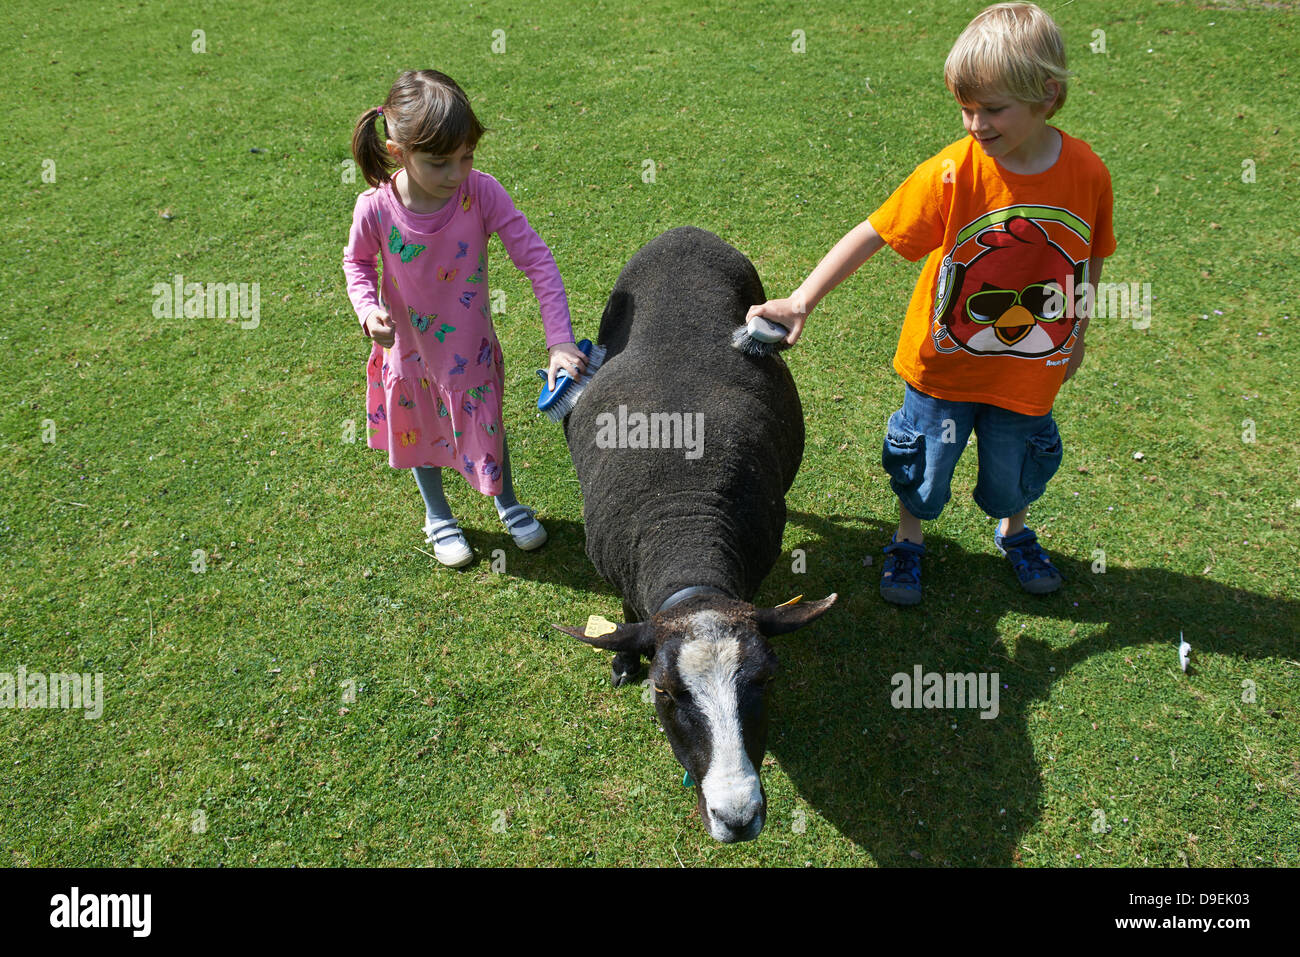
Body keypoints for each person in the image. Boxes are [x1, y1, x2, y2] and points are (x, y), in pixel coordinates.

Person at [747, 2, 1115, 604]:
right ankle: (908, 539)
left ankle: (1013, 531)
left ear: (1048, 95)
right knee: (924, 464)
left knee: (1015, 466)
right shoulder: (952, 171)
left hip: (1030, 366)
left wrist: (1078, 333)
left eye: (993, 108)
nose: (975, 123)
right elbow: (875, 231)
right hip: (944, 367)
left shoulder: (1087, 173)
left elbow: (1089, 255)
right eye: (965, 107)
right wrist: (802, 300)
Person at [343, 70, 587, 567]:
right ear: (398, 153)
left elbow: (536, 260)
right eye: (439, 163)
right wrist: (368, 311)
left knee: (488, 425)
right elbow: (358, 263)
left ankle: (507, 501)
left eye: (467, 156)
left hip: (468, 347)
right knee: (419, 432)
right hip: (407, 352)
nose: (456, 173)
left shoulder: (482, 193)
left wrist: (559, 339)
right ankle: (439, 516)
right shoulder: (375, 208)